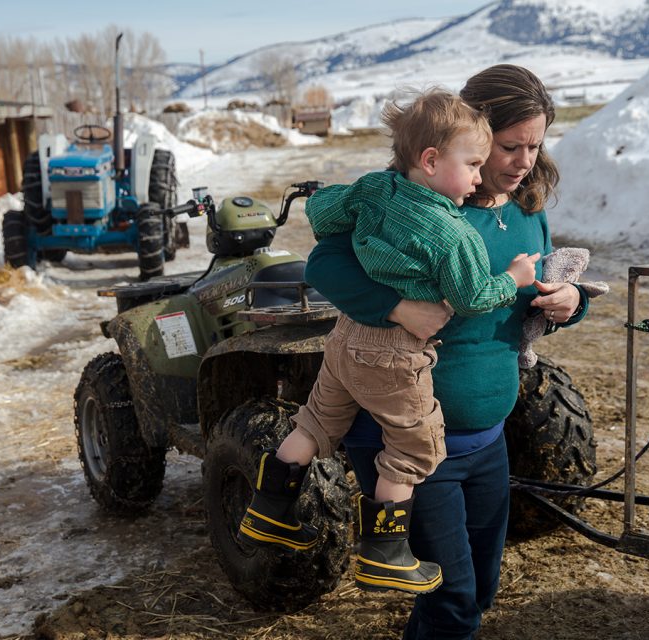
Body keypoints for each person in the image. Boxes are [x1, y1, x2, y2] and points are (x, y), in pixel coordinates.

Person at [305, 64, 590, 639]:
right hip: (408, 438)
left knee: (480, 587)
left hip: (487, 437)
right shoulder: (414, 203)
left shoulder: (526, 210)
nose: (524, 161)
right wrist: (396, 308)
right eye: (510, 147)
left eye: (535, 146)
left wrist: (570, 301)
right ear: (475, 136)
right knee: (453, 600)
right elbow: (324, 265)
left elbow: (526, 295)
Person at [238, 88, 541, 595]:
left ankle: (268, 513)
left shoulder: (375, 188)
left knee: (314, 423)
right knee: (413, 448)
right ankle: (385, 553)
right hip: (395, 353)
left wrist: (360, 219)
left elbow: (325, 212)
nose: (475, 177)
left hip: (346, 340)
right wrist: (514, 277)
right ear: (430, 160)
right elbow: (470, 297)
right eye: (472, 165)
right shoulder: (453, 234)